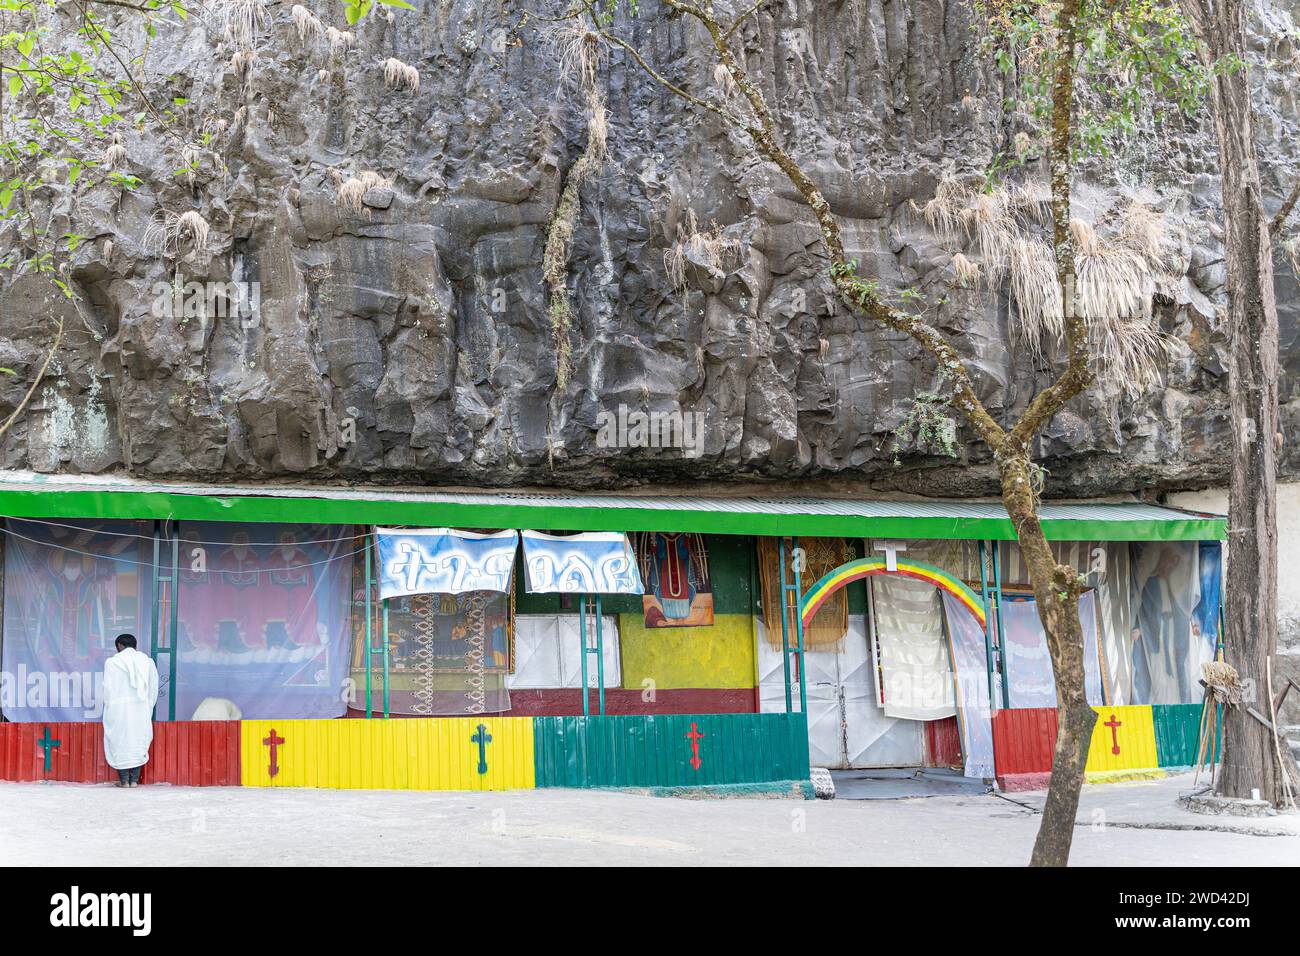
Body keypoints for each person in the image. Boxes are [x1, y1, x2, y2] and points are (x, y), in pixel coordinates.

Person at [102, 634, 159, 788]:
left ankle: (124, 781)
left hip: (118, 709)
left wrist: (110, 707)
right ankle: (134, 781)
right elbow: (153, 689)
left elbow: (108, 689)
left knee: (119, 741)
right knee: (138, 741)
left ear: (120, 646)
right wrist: (147, 707)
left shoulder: (112, 662)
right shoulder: (148, 662)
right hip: (141, 708)